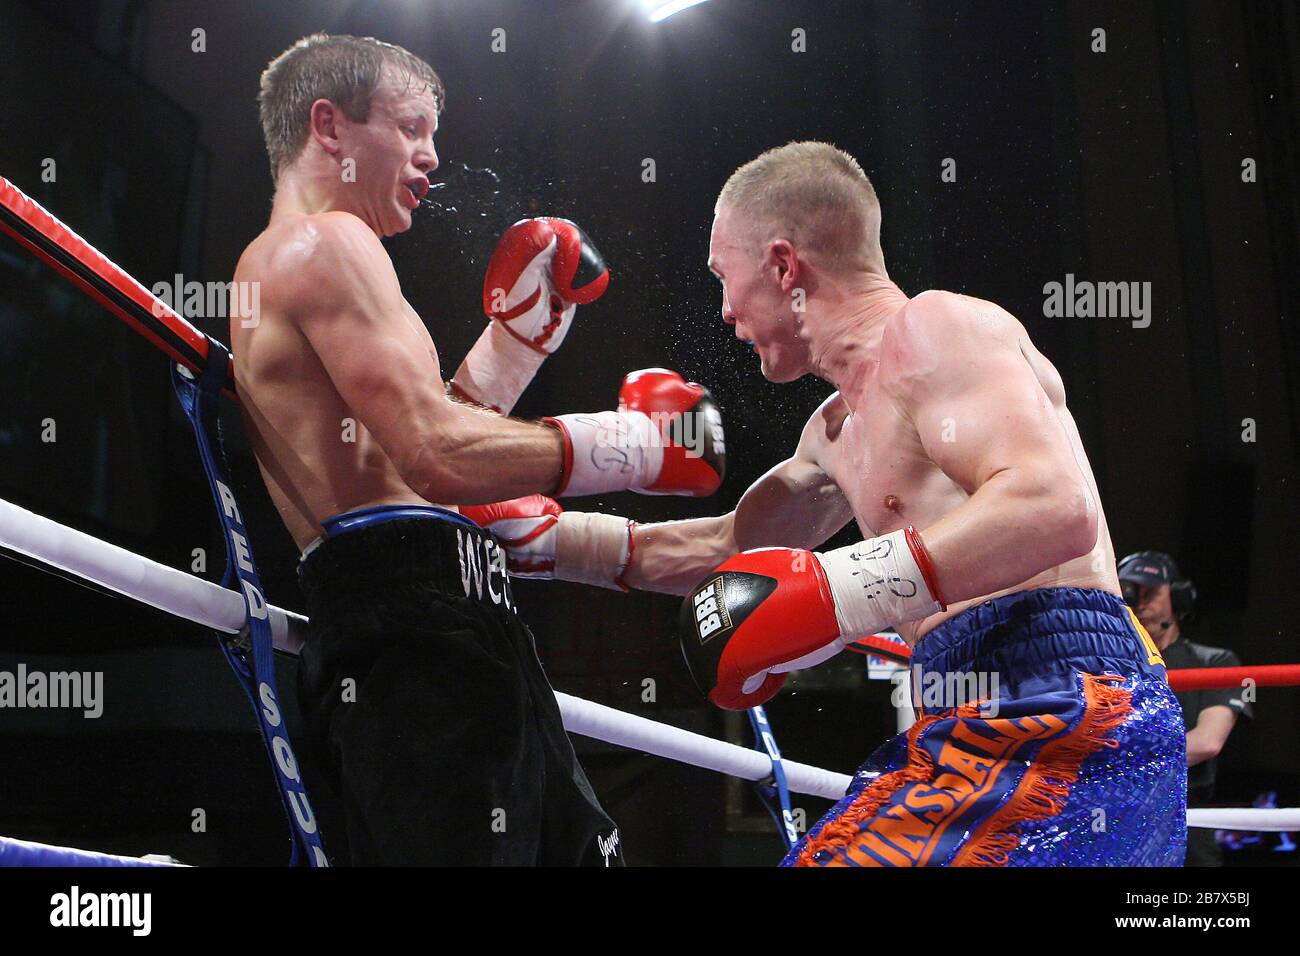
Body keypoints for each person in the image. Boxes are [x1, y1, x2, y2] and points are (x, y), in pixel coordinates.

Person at [471, 141, 1187, 866]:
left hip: (1064, 706)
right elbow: (727, 551)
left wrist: (840, 591)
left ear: (784, 267)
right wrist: (545, 542)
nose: (723, 311)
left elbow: (1052, 504)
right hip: (970, 718)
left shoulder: (936, 330)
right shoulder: (832, 431)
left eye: (726, 278)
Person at [230, 34, 725, 865]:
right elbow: (434, 455)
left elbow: (412, 447)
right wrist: (630, 446)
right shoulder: (321, 247)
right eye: (413, 128)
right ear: (330, 125)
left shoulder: (343, 262)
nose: (432, 158)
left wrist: (513, 350)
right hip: (412, 637)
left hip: (458, 621)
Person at [1119, 550, 1252, 867]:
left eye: (1149, 592)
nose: (1139, 603)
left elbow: (1208, 741)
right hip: (1119, 814)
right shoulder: (1106, 668)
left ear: (1177, 598)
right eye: (1129, 593)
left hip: (1184, 812)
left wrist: (1127, 767)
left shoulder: (1214, 662)